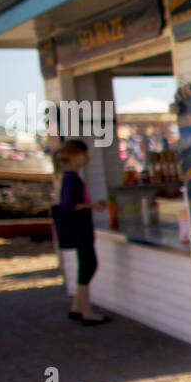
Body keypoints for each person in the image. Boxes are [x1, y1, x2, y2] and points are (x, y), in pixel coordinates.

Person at [55, 139, 110, 325]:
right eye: (85, 155)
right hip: (80, 228)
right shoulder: (71, 178)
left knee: (85, 266)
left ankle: (77, 307)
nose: (87, 158)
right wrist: (92, 205)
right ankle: (86, 311)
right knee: (89, 266)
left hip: (81, 227)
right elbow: (68, 205)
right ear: (78, 156)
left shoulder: (70, 176)